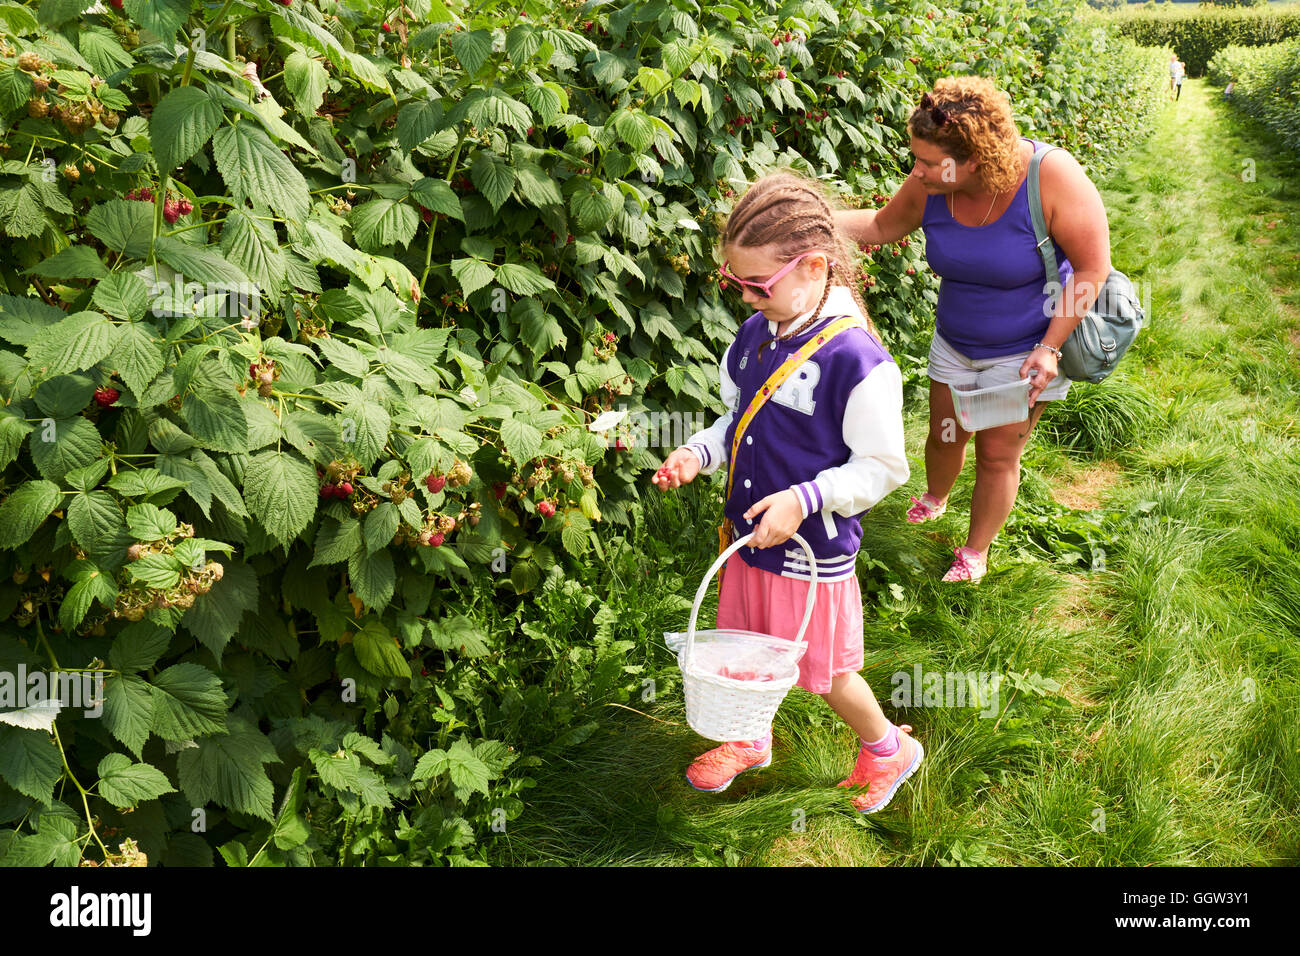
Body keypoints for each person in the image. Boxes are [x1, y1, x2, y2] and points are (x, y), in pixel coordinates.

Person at [652, 170, 918, 813]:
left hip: (812, 553)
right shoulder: (755, 337)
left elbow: (883, 466)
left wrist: (804, 499)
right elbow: (737, 418)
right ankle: (749, 738)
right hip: (748, 541)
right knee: (743, 646)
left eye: (758, 285)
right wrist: (700, 450)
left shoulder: (856, 362)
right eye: (734, 283)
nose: (745, 298)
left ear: (814, 268)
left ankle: (887, 748)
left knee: (825, 673)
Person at [834, 77, 1112, 582]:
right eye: (914, 159)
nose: (915, 172)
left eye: (926, 162)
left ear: (976, 159)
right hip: (955, 341)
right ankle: (936, 497)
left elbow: (1093, 269)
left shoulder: (1050, 178)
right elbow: (880, 227)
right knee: (944, 436)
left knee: (998, 453)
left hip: (1027, 348)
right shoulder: (931, 183)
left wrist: (1049, 349)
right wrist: (811, 220)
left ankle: (975, 551)